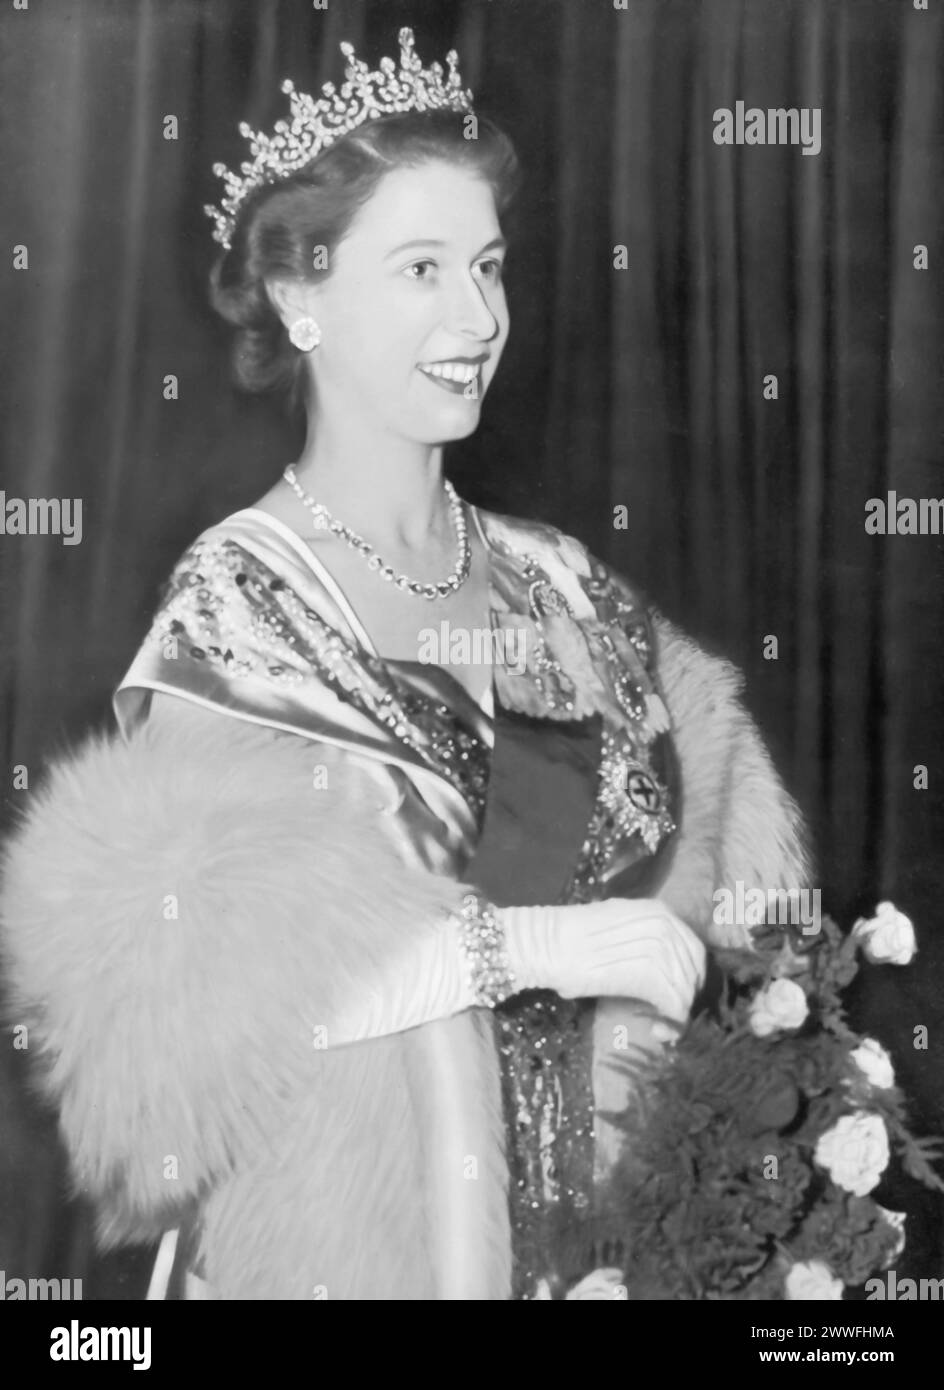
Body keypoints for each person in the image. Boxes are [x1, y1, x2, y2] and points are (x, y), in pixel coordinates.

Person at [0, 28, 809, 1301]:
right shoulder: (241, 602)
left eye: (487, 267)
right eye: (420, 269)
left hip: (597, 1251)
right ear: (300, 298)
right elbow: (208, 992)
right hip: (346, 1253)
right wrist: (556, 944)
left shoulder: (557, 583)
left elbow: (727, 875)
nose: (476, 317)